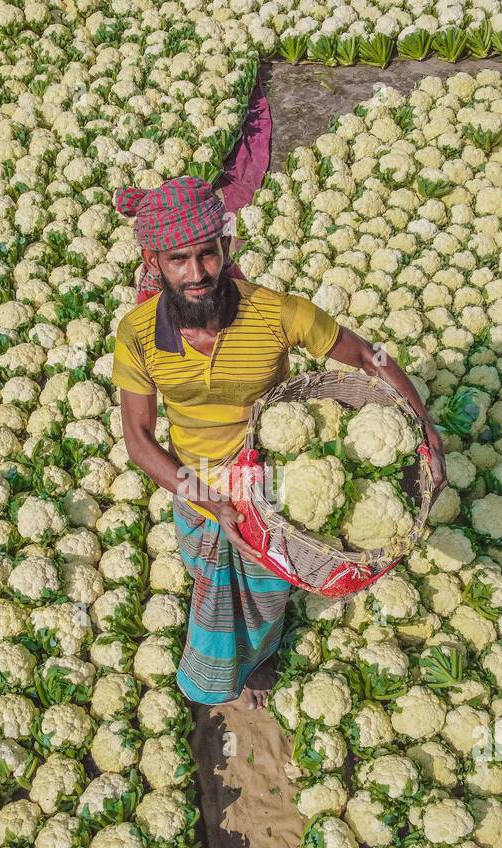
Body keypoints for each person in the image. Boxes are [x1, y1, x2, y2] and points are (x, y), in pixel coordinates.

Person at [111, 176, 446, 711]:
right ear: (155, 260)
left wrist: (424, 425)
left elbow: (369, 357)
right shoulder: (138, 333)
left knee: (267, 593)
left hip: (270, 481)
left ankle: (262, 657)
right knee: (209, 579)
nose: (197, 274)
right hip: (195, 481)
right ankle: (225, 671)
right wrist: (205, 496)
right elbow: (139, 438)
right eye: (179, 260)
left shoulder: (275, 312)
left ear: (225, 247)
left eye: (207, 255)